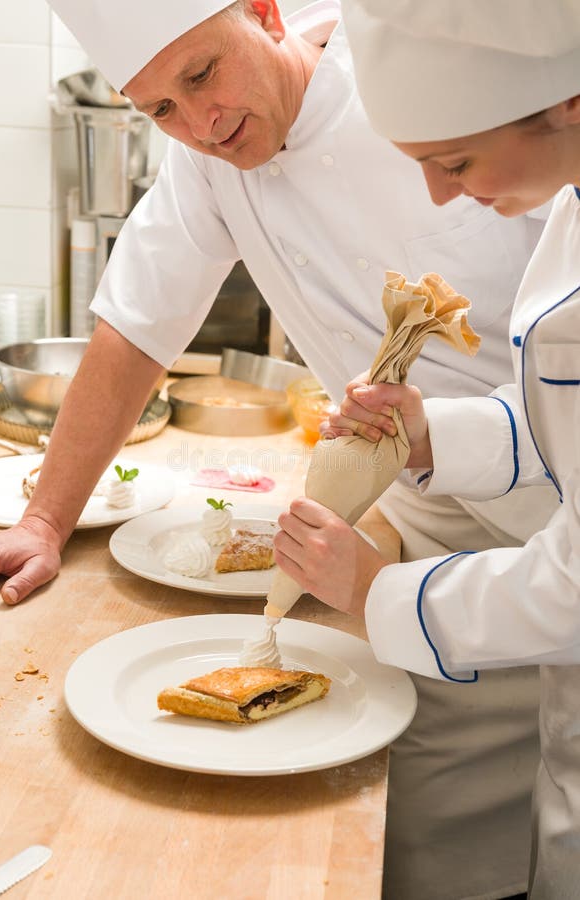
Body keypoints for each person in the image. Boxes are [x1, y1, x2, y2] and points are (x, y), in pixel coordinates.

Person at [0, 1, 557, 897]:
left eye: (202, 74)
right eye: (160, 109)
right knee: (430, 830)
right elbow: (134, 328)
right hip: (416, 523)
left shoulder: (424, 94)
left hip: (558, 521)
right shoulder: (206, 162)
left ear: (263, 12)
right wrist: (45, 522)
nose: (200, 123)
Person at [275, 0, 580, 896]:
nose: (440, 196)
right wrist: (429, 433)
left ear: (568, 102)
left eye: (454, 162)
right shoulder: (569, 209)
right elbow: (561, 421)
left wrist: (376, 590)